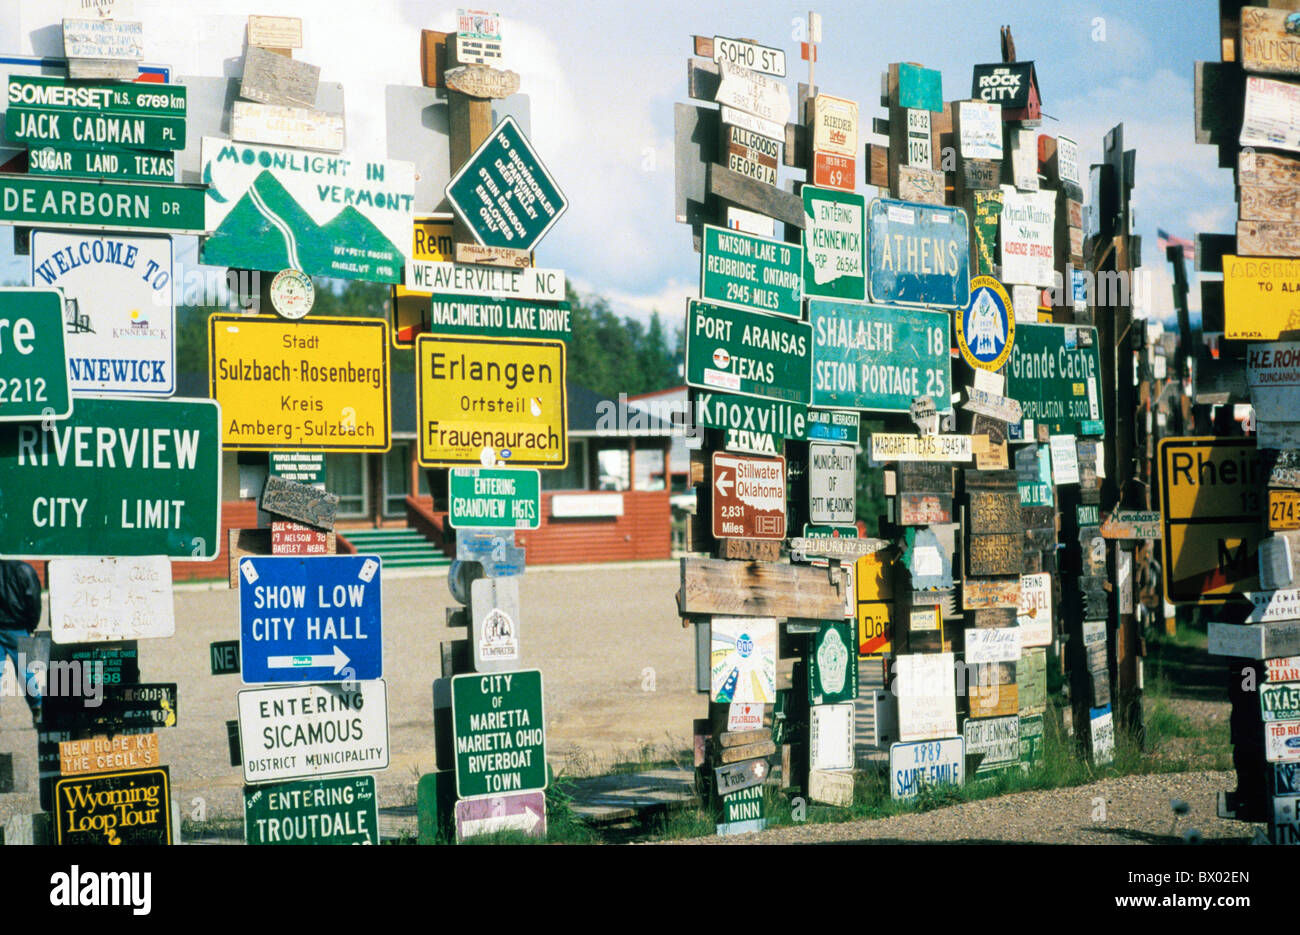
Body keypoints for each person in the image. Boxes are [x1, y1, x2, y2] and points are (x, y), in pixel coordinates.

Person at [0, 560, 43, 726]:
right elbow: (34, 600)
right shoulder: (24, 569)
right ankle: (37, 707)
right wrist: (31, 625)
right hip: (18, 627)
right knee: (27, 672)